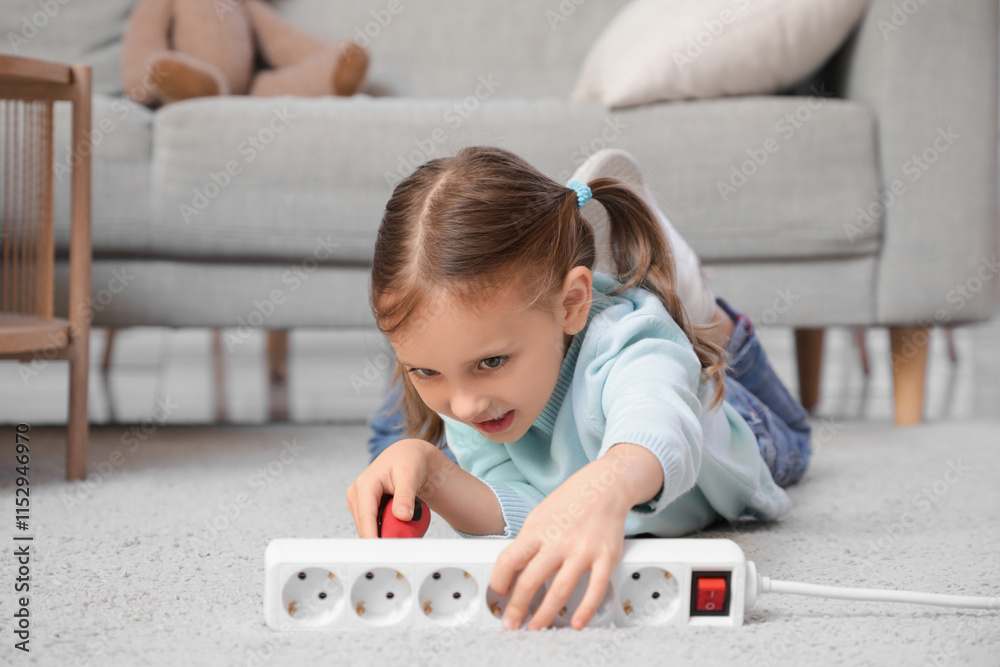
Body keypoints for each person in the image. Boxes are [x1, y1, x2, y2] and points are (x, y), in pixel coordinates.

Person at [346, 146, 811, 632]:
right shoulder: (473, 404)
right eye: (426, 371)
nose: (462, 406)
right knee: (406, 424)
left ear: (571, 304)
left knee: (794, 440)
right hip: (572, 365)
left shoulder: (629, 345)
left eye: (492, 361)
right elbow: (528, 512)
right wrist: (435, 475)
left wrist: (608, 482)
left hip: (721, 422)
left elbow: (657, 422)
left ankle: (705, 314)